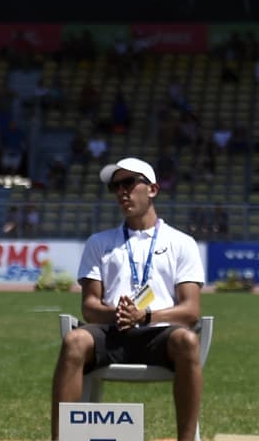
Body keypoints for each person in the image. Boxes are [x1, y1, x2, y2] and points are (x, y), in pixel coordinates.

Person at [50, 157, 204, 441]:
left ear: (153, 189)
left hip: (160, 334)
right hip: (110, 332)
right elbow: (89, 306)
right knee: (74, 340)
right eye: (116, 186)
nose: (122, 191)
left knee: (187, 340)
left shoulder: (182, 243)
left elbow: (191, 310)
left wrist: (144, 317)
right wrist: (119, 316)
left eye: (129, 183)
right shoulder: (99, 242)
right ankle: (63, 439)